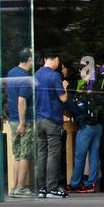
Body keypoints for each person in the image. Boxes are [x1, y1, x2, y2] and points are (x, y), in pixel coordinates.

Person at [67, 59, 104, 194]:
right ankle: (91, 184)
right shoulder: (98, 85)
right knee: (94, 155)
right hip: (98, 126)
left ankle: (75, 183)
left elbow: (75, 105)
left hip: (86, 126)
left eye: (80, 70)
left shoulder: (84, 87)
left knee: (80, 156)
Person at [34, 50, 69, 199]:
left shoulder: (36, 75)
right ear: (55, 59)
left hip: (38, 119)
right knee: (53, 154)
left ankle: (41, 187)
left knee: (41, 153)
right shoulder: (54, 76)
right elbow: (63, 98)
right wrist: (64, 86)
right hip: (52, 119)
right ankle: (52, 187)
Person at [3, 48, 35, 198]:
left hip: (13, 119)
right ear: (29, 59)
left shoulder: (11, 73)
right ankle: (21, 187)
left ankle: (15, 186)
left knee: (16, 154)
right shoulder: (25, 77)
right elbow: (21, 101)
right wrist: (23, 123)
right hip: (23, 120)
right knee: (24, 154)